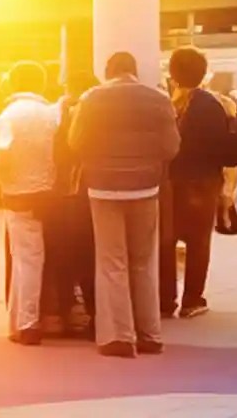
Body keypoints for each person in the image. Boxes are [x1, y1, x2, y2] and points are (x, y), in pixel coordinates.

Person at [69, 52, 180, 358]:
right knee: (143, 262)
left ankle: (119, 336)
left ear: (108, 71)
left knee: (111, 261)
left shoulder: (91, 99)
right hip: (145, 187)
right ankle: (150, 334)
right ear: (135, 70)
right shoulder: (158, 98)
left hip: (103, 189)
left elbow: (75, 141)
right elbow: (172, 146)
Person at [165, 47, 237, 319]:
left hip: (168, 182)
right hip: (202, 181)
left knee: (166, 241)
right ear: (203, 72)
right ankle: (192, 299)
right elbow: (230, 150)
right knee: (198, 243)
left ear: (172, 73)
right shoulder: (212, 104)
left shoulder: (166, 102)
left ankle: (165, 299)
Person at [0, 61, 59, 345]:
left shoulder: (9, 116)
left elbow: (1, 154)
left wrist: (5, 181)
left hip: (19, 195)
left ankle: (27, 322)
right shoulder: (51, 114)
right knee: (37, 257)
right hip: (50, 194)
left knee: (27, 259)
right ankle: (27, 319)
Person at [49, 69, 99, 337]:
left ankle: (70, 313)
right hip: (92, 194)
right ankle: (93, 314)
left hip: (70, 196)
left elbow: (62, 151)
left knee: (67, 258)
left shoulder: (70, 114)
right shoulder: (99, 113)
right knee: (90, 258)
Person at [216, 90, 237, 235]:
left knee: (225, 192)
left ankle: (225, 220)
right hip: (233, 161)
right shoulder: (236, 122)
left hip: (225, 161)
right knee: (228, 192)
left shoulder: (223, 124)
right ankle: (228, 221)